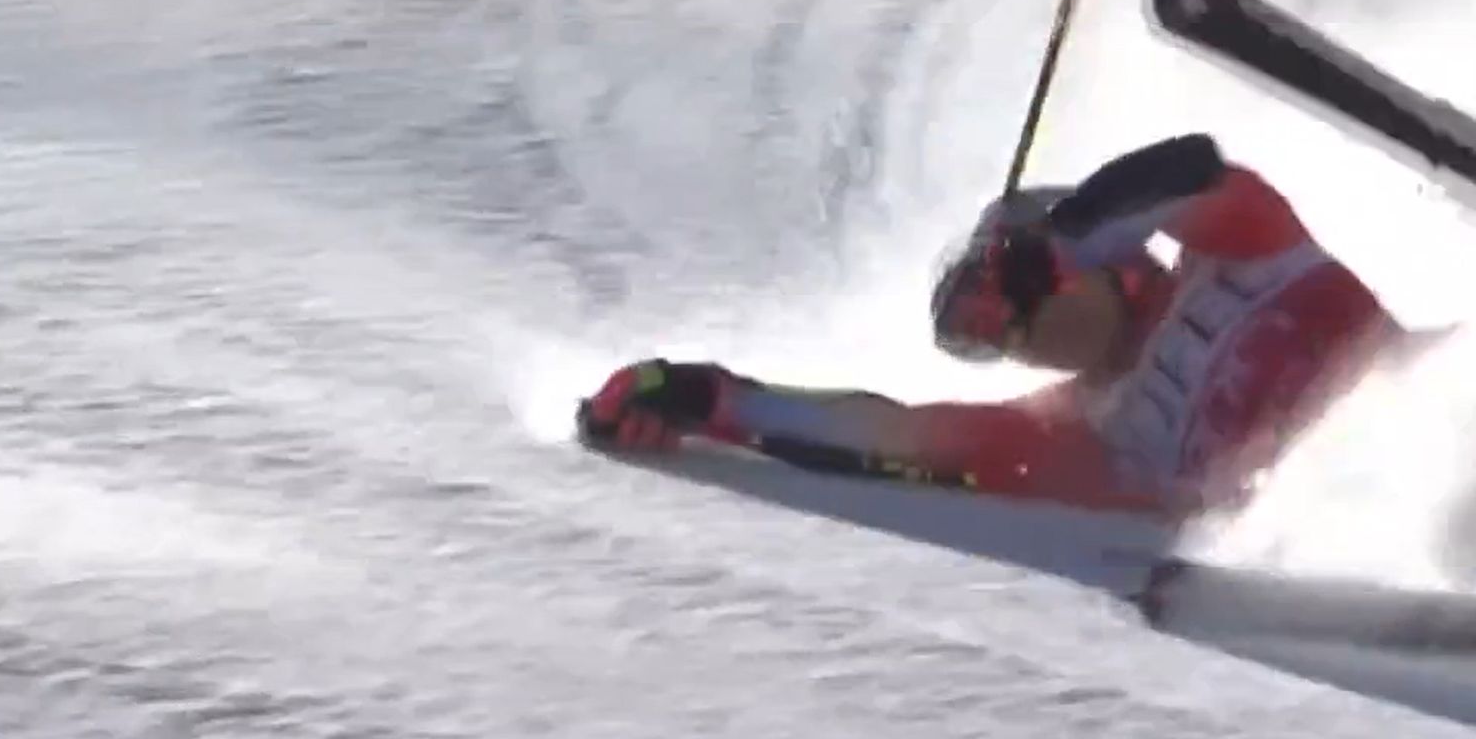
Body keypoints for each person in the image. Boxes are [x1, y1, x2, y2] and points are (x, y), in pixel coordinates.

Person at [575, 132, 1411, 518]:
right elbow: (901, 436)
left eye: (1017, 304)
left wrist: (1068, 237)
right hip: (1375, 520)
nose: (1022, 339)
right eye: (997, 342)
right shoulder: (1084, 432)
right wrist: (712, 401)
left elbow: (1198, 175)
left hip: (1452, 410)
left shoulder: (1244, 260)